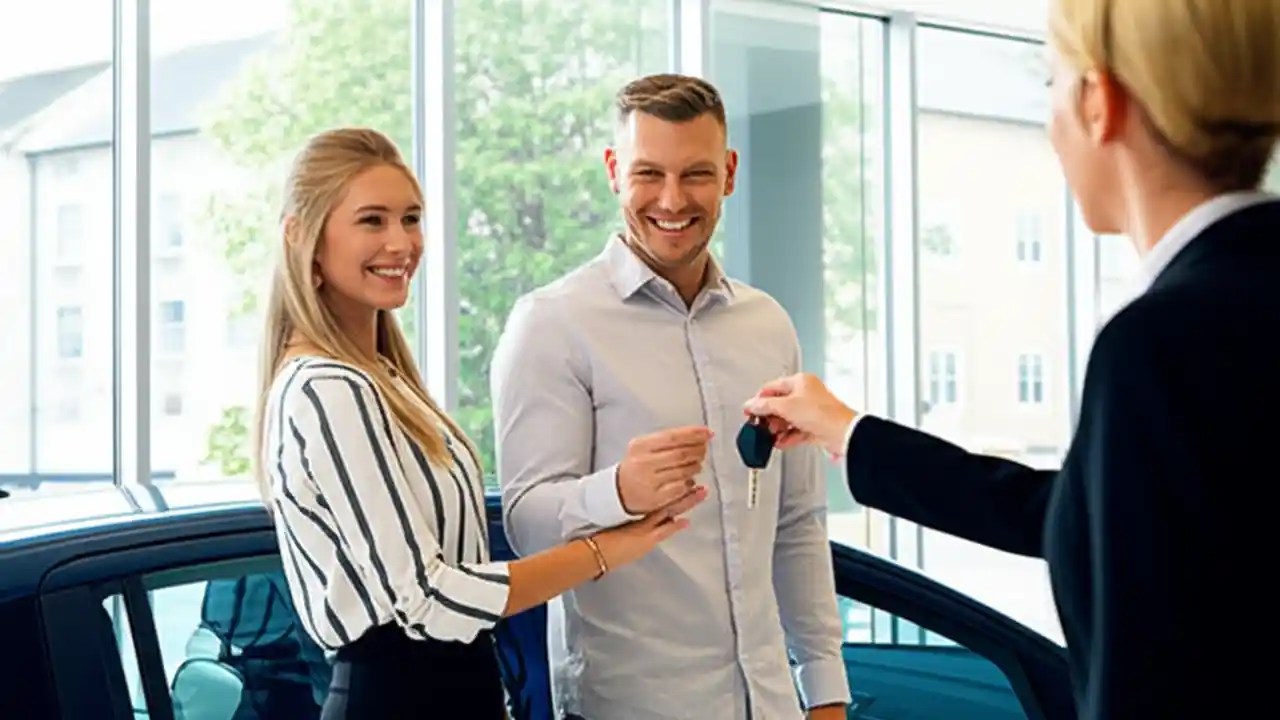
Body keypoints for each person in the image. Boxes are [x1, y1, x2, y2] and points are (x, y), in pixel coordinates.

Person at [742, 1, 1280, 718]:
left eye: (1052, 85)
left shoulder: (1161, 344)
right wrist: (850, 431)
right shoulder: (1245, 304)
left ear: (1098, 101)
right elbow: (1075, 511)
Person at [250, 127, 707, 719]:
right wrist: (605, 550)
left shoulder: (380, 379)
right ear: (302, 237)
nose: (401, 242)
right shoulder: (328, 389)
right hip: (399, 700)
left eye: (410, 218)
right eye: (372, 220)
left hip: (450, 691)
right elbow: (425, 599)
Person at [491, 74, 850, 720]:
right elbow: (524, 523)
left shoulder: (767, 326)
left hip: (769, 705)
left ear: (730, 172)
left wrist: (824, 693)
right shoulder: (551, 325)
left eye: (696, 174)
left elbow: (796, 524)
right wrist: (619, 492)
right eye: (648, 173)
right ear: (612, 170)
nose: (672, 200)